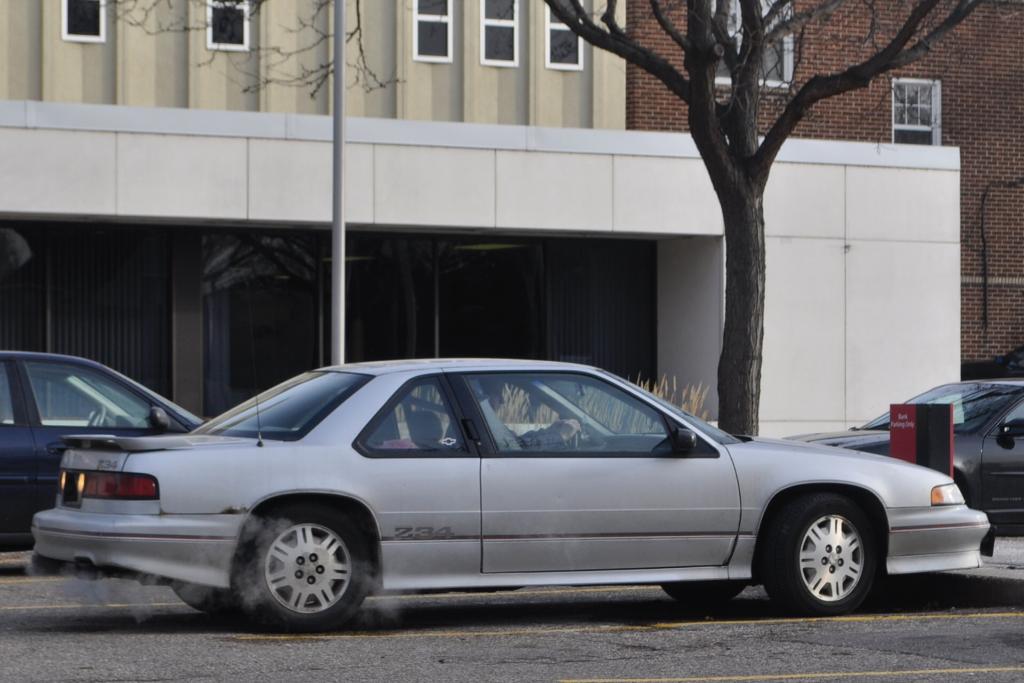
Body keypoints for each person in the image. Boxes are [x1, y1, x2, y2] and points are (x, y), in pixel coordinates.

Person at [476, 377, 581, 450]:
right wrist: (560, 435)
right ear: (485, 397)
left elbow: (518, 442)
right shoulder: (483, 426)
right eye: (498, 393)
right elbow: (517, 448)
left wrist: (551, 430)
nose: (503, 401)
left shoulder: (483, 425)